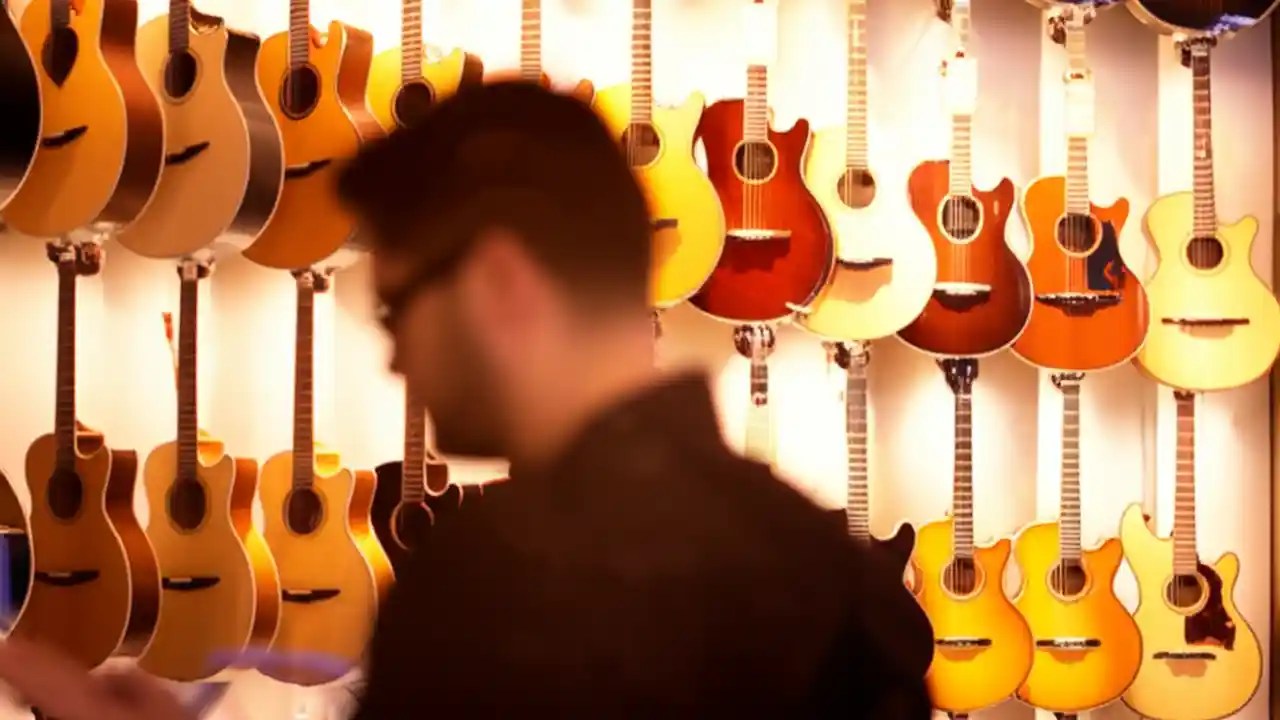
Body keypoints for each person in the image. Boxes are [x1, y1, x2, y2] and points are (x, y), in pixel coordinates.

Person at [0, 82, 933, 718]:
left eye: (400, 305)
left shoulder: (493, 578)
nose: (398, 357)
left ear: (497, 283)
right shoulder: (842, 579)